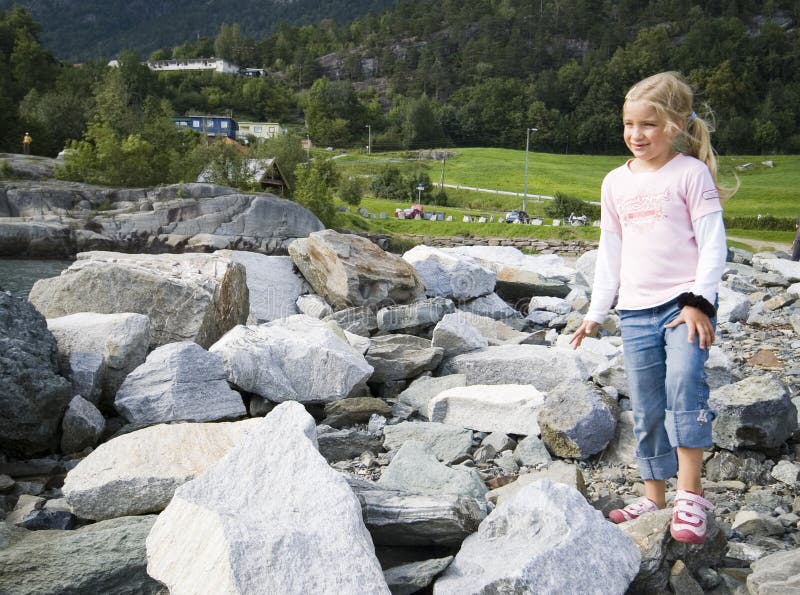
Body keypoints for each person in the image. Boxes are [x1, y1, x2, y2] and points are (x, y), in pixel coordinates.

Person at [569, 72, 734, 544]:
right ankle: (653, 493)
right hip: (636, 310)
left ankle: (690, 494)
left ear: (678, 125)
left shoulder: (690, 173)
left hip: (685, 305)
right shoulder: (614, 182)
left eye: (649, 125)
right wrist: (597, 312)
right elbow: (610, 250)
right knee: (645, 403)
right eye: (628, 124)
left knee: (685, 385)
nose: (637, 135)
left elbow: (712, 243)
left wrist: (700, 301)